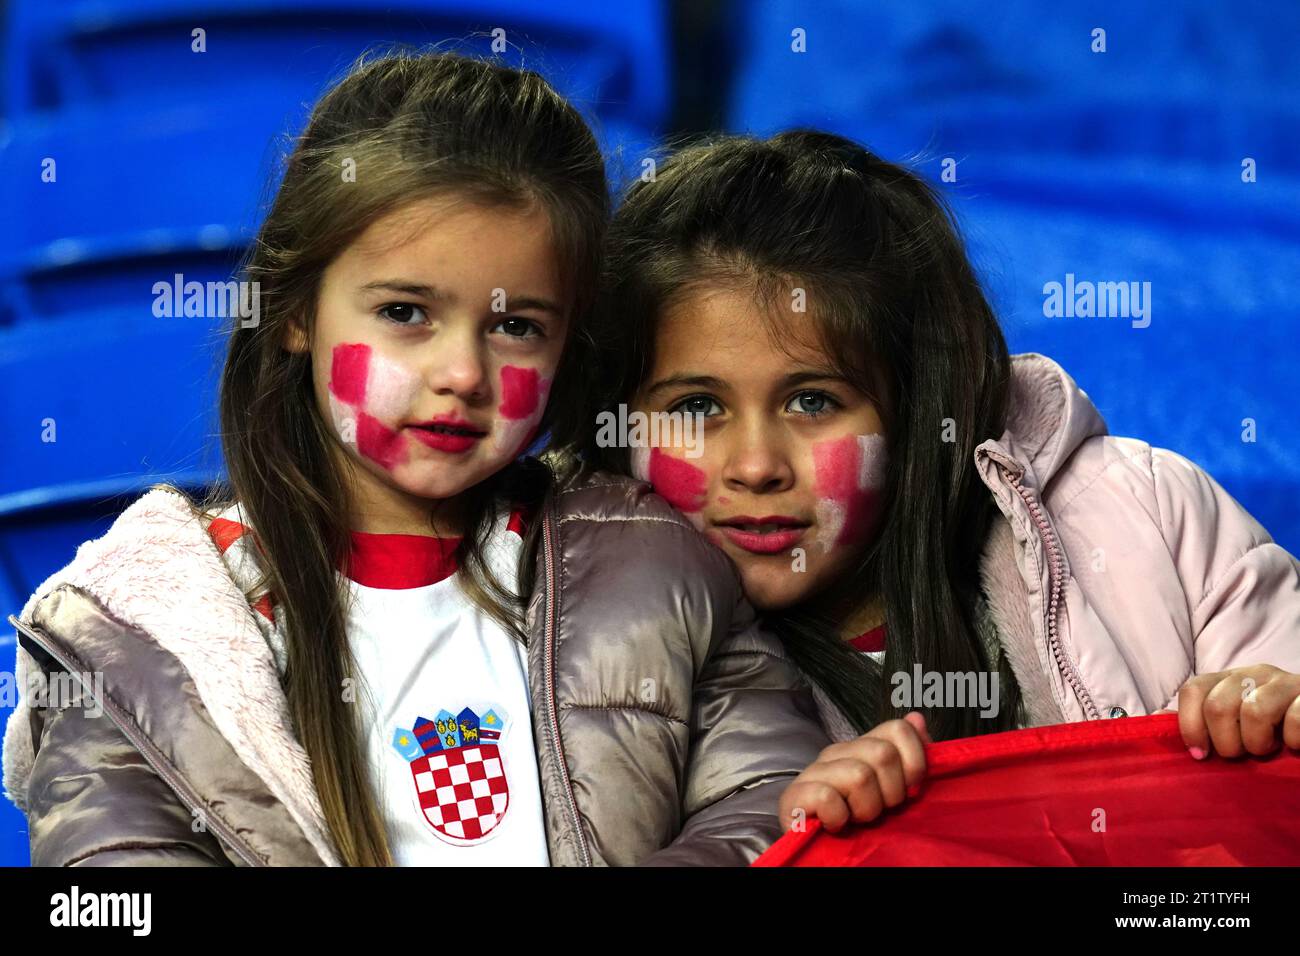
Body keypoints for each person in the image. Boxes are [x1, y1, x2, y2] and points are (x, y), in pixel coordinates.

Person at [1, 53, 831, 867]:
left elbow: (767, 799)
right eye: (406, 312)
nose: (464, 374)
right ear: (296, 314)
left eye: (516, 326)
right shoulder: (135, 638)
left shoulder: (653, 562)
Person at [558, 130, 1300, 834]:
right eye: (697, 408)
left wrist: (1279, 726)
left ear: (917, 408)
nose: (756, 466)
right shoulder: (581, 656)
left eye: (813, 402)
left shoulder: (1148, 516)